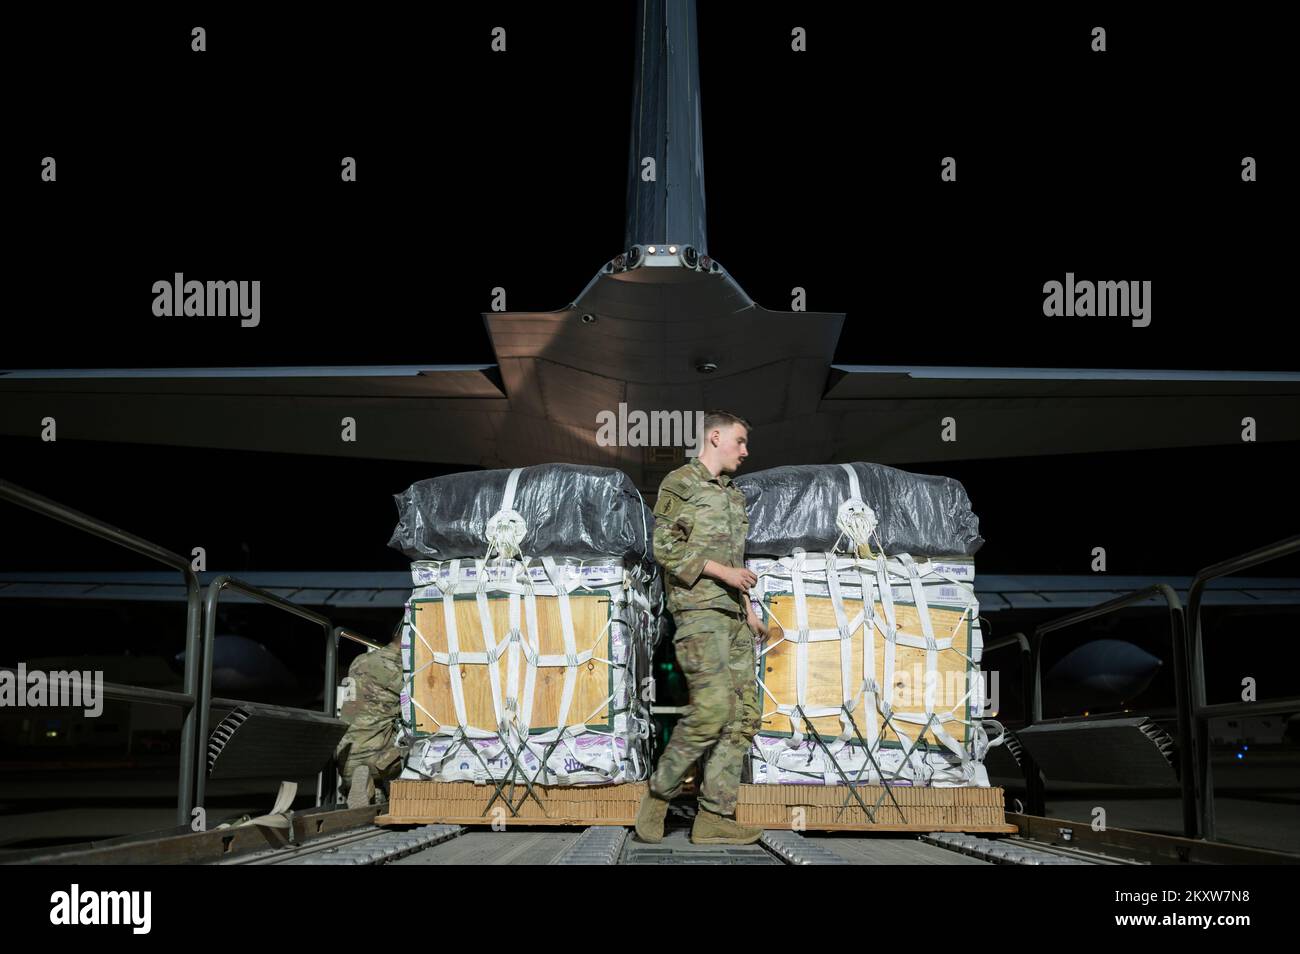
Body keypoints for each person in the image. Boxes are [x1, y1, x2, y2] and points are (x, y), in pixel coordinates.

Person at [635, 410, 769, 844]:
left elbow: (735, 562)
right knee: (711, 709)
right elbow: (663, 547)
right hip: (698, 613)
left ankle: (714, 817)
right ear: (715, 437)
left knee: (743, 717)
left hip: (734, 618)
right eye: (740, 440)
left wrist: (748, 609)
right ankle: (659, 792)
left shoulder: (734, 496)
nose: (746, 451)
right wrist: (723, 575)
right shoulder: (682, 483)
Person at [336, 619, 405, 808]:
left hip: (344, 756)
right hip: (378, 760)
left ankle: (368, 787)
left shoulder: (359, 660)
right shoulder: (405, 671)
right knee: (422, 735)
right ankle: (376, 782)